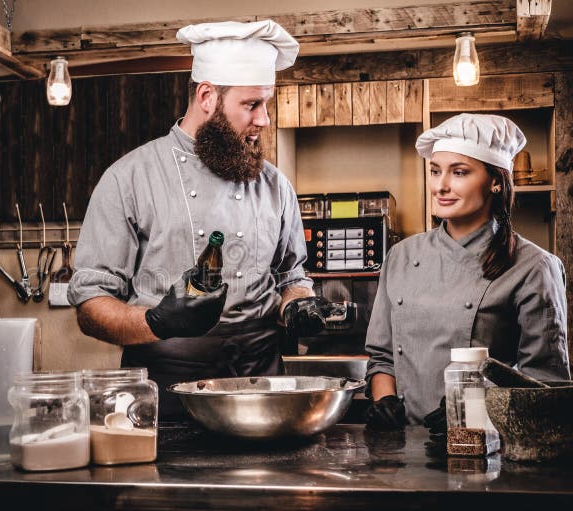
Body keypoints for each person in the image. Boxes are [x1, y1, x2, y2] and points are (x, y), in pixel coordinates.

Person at [67, 20, 319, 418]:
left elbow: (293, 279)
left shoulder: (275, 186)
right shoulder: (129, 178)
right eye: (252, 105)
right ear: (206, 96)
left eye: (266, 104)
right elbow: (90, 305)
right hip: (165, 393)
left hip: (261, 388)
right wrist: (157, 321)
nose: (265, 119)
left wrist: (298, 307)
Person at [365, 113, 570, 430]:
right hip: (403, 450)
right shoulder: (401, 256)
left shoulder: (533, 267)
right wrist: (384, 402)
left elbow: (543, 383)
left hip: (487, 450)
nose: (441, 186)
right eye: (435, 171)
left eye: (459, 172)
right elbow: (382, 357)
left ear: (495, 181)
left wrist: (476, 407)